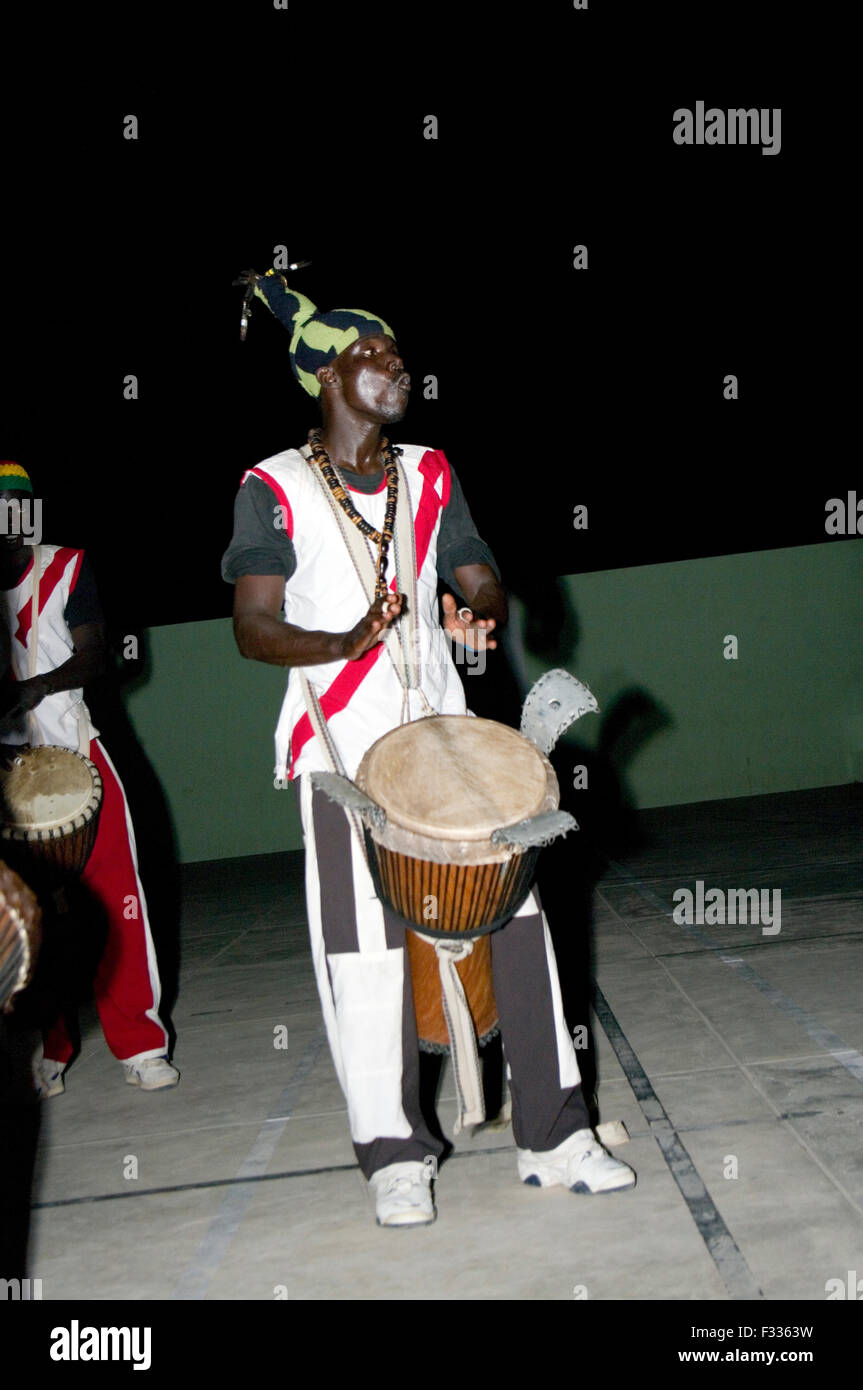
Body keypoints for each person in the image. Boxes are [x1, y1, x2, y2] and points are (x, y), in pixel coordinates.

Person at [222, 271, 635, 1225]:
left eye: (398, 354)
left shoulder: (432, 471)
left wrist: (476, 610)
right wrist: (345, 641)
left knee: (521, 923)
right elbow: (253, 628)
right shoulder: (272, 488)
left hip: (446, 743)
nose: (398, 368)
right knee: (362, 952)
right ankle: (393, 1155)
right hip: (338, 751)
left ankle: (555, 1133)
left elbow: (480, 578)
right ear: (326, 376)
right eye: (374, 356)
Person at [0, 461, 179, 1094]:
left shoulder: (65, 566)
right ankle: (46, 1049)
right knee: (25, 920)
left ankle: (139, 1044)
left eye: (14, 506)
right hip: (5, 773)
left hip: (75, 755)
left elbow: (96, 652)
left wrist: (33, 689)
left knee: (118, 898)